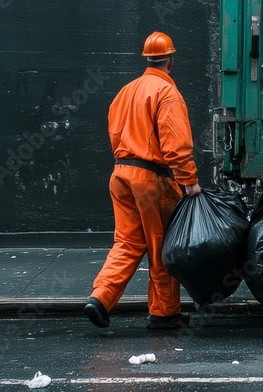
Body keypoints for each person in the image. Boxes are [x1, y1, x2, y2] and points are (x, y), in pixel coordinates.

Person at [84, 31, 202, 331]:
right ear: (171, 62)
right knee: (160, 244)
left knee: (126, 241)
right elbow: (175, 146)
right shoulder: (167, 93)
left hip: (121, 173)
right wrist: (189, 181)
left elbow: (114, 133)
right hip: (151, 178)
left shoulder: (125, 91)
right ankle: (164, 313)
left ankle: (100, 298)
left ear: (147, 59)